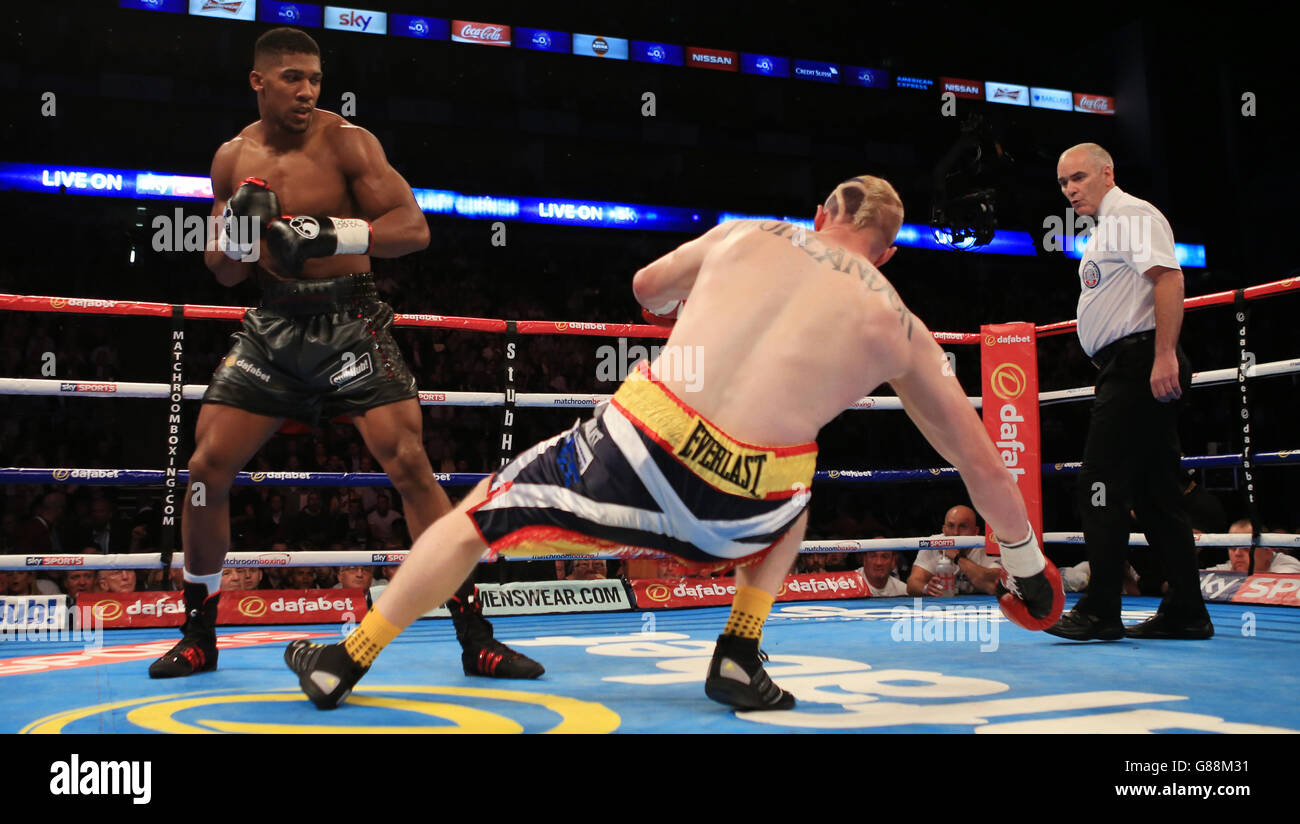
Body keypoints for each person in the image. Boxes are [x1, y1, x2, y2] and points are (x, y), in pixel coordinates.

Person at [285, 174, 1062, 711]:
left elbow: (646, 288)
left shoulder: (742, 236)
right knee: (795, 493)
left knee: (473, 519)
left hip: (636, 447)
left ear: (823, 212)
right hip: (743, 508)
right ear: (887, 252)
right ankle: (740, 653)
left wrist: (685, 314)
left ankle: (346, 658)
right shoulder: (900, 326)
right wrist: (1027, 569)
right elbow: (980, 461)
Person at [148, 27, 541, 681]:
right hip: (272, 325)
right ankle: (198, 633)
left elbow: (413, 228)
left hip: (349, 320)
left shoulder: (348, 143)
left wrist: (331, 230)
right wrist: (241, 235)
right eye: (293, 78)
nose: (308, 91)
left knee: (412, 465)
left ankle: (477, 637)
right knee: (205, 470)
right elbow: (221, 271)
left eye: (315, 79)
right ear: (259, 81)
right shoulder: (230, 157)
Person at [1047, 143, 1213, 641]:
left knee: (1099, 483)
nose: (1070, 189)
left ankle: (1100, 609)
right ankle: (1186, 609)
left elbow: (1169, 279)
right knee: (1157, 493)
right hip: (1128, 363)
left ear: (1106, 173)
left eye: (1078, 178)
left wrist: (1164, 354)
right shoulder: (1106, 230)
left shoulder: (1134, 214)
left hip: (1139, 362)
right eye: (1062, 183)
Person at [905, 504, 1002, 596]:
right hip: (942, 606)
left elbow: (992, 587)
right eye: (951, 526)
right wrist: (927, 588)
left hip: (981, 608)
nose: (955, 533)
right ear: (944, 529)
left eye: (963, 526)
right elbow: (912, 584)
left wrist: (957, 558)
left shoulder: (986, 546)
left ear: (975, 531)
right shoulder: (933, 543)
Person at [1209, 522, 1300, 574]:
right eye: (1233, 548)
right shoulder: (1229, 567)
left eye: (1246, 548)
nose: (1237, 553)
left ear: (1267, 551)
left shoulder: (1288, 565)